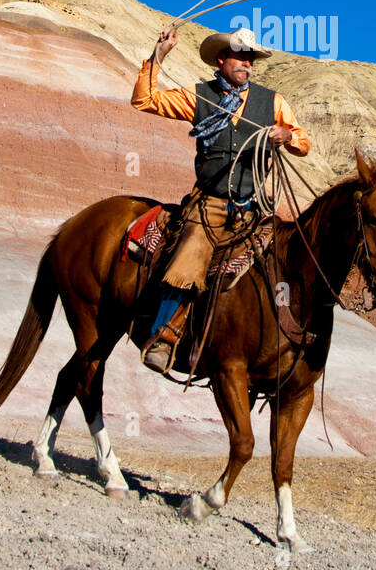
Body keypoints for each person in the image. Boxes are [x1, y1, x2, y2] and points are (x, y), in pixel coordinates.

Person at [130, 25, 311, 372]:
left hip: (254, 207)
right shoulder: (198, 97)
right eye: (241, 56)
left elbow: (303, 142)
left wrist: (285, 134)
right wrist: (159, 54)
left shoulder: (272, 102)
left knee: (284, 264)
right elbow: (144, 100)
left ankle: (278, 342)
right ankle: (164, 338)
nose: (247, 64)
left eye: (251, 58)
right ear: (221, 59)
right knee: (189, 256)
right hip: (210, 203)